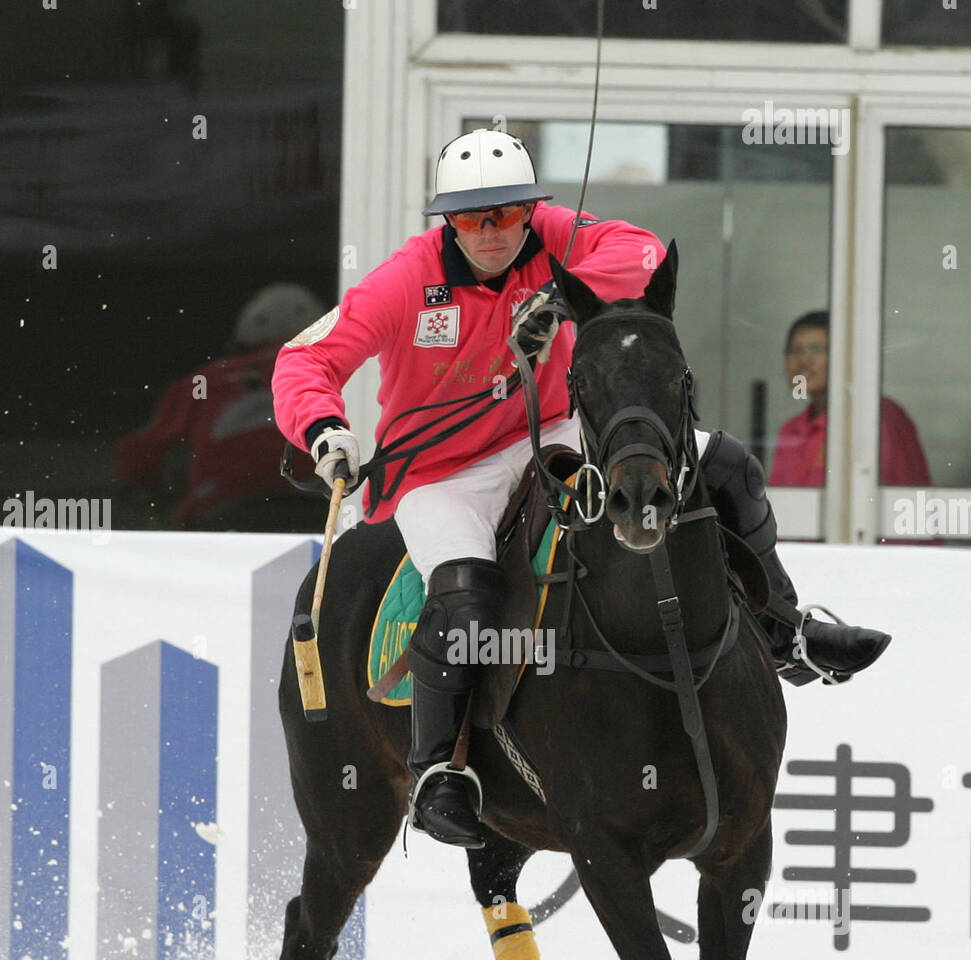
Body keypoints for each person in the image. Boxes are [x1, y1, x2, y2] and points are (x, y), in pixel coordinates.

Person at [272, 129, 889, 850]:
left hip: (555, 436)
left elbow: (643, 251)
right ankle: (440, 769)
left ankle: (786, 631)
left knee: (723, 466)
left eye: (507, 214)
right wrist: (325, 430)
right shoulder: (404, 282)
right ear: (447, 221)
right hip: (443, 476)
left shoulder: (556, 237)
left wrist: (563, 303)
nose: (493, 232)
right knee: (467, 593)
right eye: (473, 219)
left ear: (531, 211)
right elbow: (306, 360)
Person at [115, 284, 326, 531]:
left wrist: (153, 496)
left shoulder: (206, 380)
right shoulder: (336, 375)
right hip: (319, 511)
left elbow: (142, 454)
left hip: (219, 514)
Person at [771, 310, 931, 487]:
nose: (803, 360)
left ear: (845, 356)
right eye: (795, 350)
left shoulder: (873, 416)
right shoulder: (791, 429)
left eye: (816, 349)